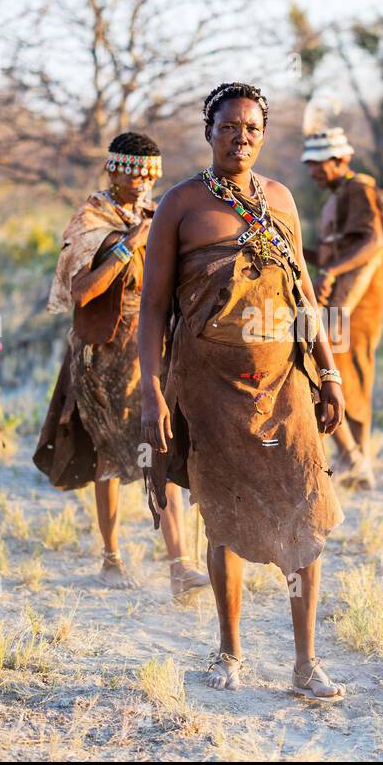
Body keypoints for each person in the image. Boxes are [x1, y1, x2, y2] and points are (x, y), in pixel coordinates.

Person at [140, 82, 348, 700]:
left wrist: (329, 371)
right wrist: (152, 393)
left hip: (284, 381)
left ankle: (306, 664)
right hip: (209, 385)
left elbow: (305, 296)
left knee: (306, 509)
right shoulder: (180, 205)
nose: (241, 137)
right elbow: (153, 309)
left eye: (252, 128)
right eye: (229, 127)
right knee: (224, 517)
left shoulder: (280, 199)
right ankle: (229, 654)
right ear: (209, 132)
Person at [34, 132, 210, 597]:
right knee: (110, 455)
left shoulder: (158, 215)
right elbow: (82, 292)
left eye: (151, 175)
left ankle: (179, 565)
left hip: (152, 350)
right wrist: (131, 242)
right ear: (112, 170)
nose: (144, 183)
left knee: (163, 448)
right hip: (102, 355)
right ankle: (111, 558)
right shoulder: (91, 221)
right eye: (134, 173)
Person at [303, 127, 383, 490]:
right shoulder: (335, 197)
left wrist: (331, 271)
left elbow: (374, 240)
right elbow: (328, 253)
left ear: (342, 160)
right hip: (336, 299)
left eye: (320, 165)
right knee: (331, 369)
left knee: (340, 371)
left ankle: (357, 458)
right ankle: (353, 459)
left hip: (357, 302)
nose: (314, 173)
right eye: (311, 165)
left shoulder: (358, 189)